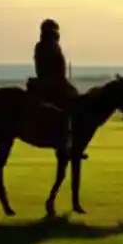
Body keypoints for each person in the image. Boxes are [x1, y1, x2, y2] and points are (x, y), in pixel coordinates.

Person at [30, 19, 85, 157]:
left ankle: (71, 138)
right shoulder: (43, 46)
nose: (57, 34)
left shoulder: (54, 46)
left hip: (58, 81)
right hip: (50, 83)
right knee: (66, 107)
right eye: (54, 31)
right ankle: (65, 139)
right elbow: (44, 68)